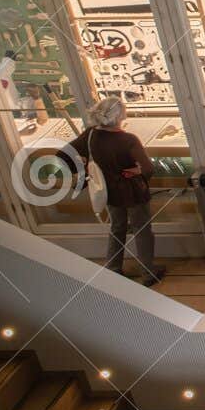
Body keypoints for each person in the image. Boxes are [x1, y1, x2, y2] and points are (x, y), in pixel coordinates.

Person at [62, 97, 164, 286]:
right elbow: (148, 169)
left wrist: (85, 168)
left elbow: (63, 155)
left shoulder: (91, 135)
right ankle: (148, 271)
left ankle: (113, 267)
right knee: (142, 230)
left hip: (108, 191)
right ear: (119, 116)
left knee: (117, 228)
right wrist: (137, 172)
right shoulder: (128, 140)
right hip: (132, 191)